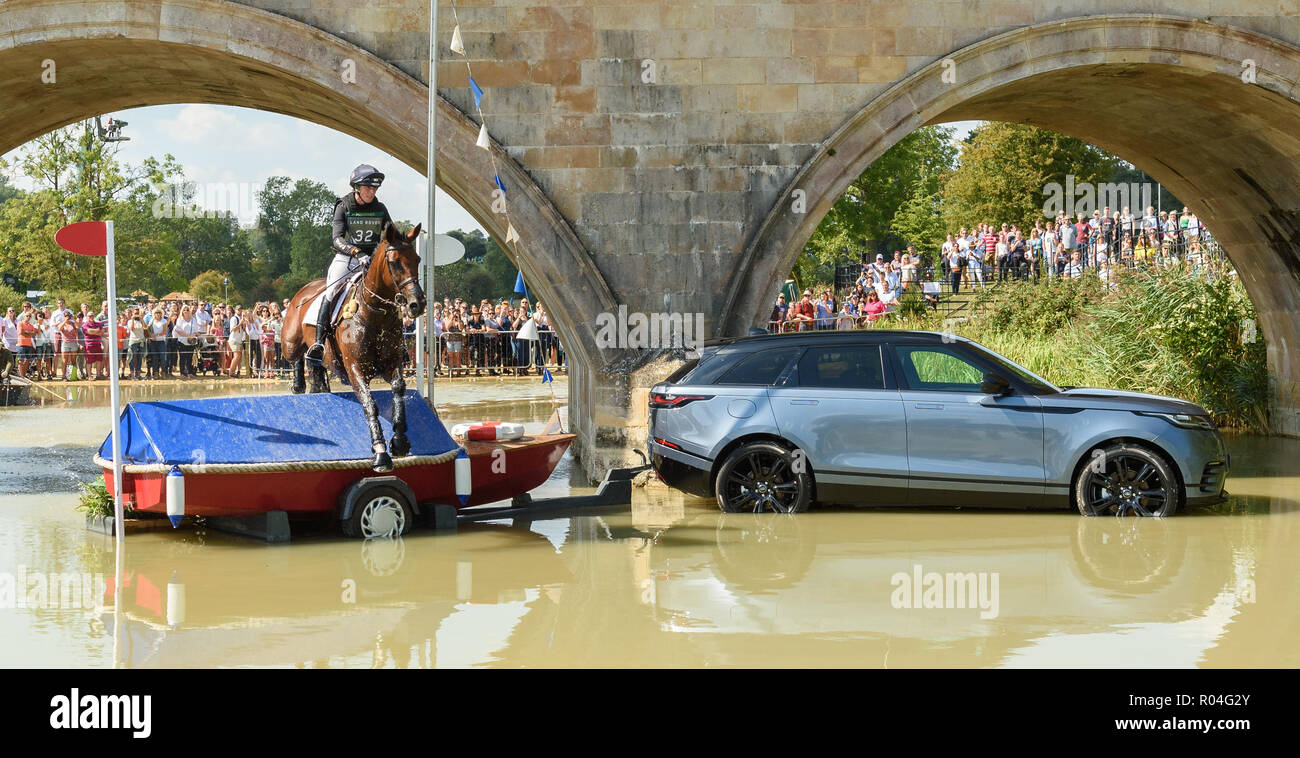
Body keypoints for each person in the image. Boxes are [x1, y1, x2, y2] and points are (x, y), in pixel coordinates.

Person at [305, 163, 395, 363]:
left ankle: (399, 345)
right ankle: (318, 343)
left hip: (372, 262)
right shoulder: (343, 206)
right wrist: (356, 252)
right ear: (356, 188)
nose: (372, 192)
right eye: (367, 188)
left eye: (374, 188)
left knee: (392, 291)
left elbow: (391, 234)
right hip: (347, 260)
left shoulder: (380, 208)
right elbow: (337, 239)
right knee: (331, 291)